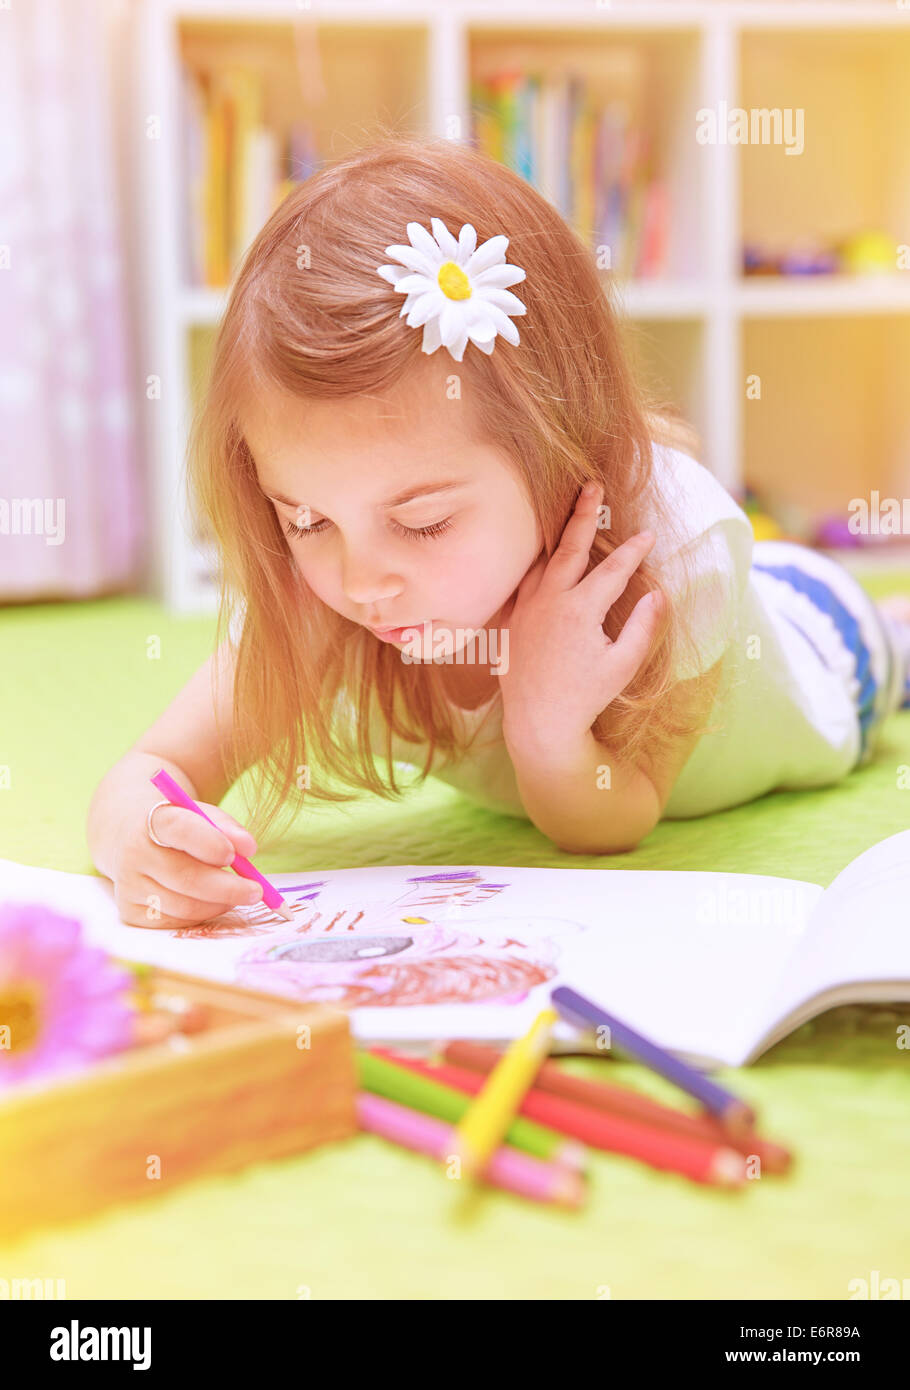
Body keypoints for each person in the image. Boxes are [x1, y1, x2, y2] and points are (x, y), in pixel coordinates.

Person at [86, 134, 910, 928]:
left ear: (559, 452)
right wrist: (139, 834)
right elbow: (149, 772)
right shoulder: (318, 593)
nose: (363, 580)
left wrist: (548, 728)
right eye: (305, 519)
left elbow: (610, 821)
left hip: (823, 650)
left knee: (882, 639)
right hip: (768, 598)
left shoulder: (681, 552)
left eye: (424, 522)